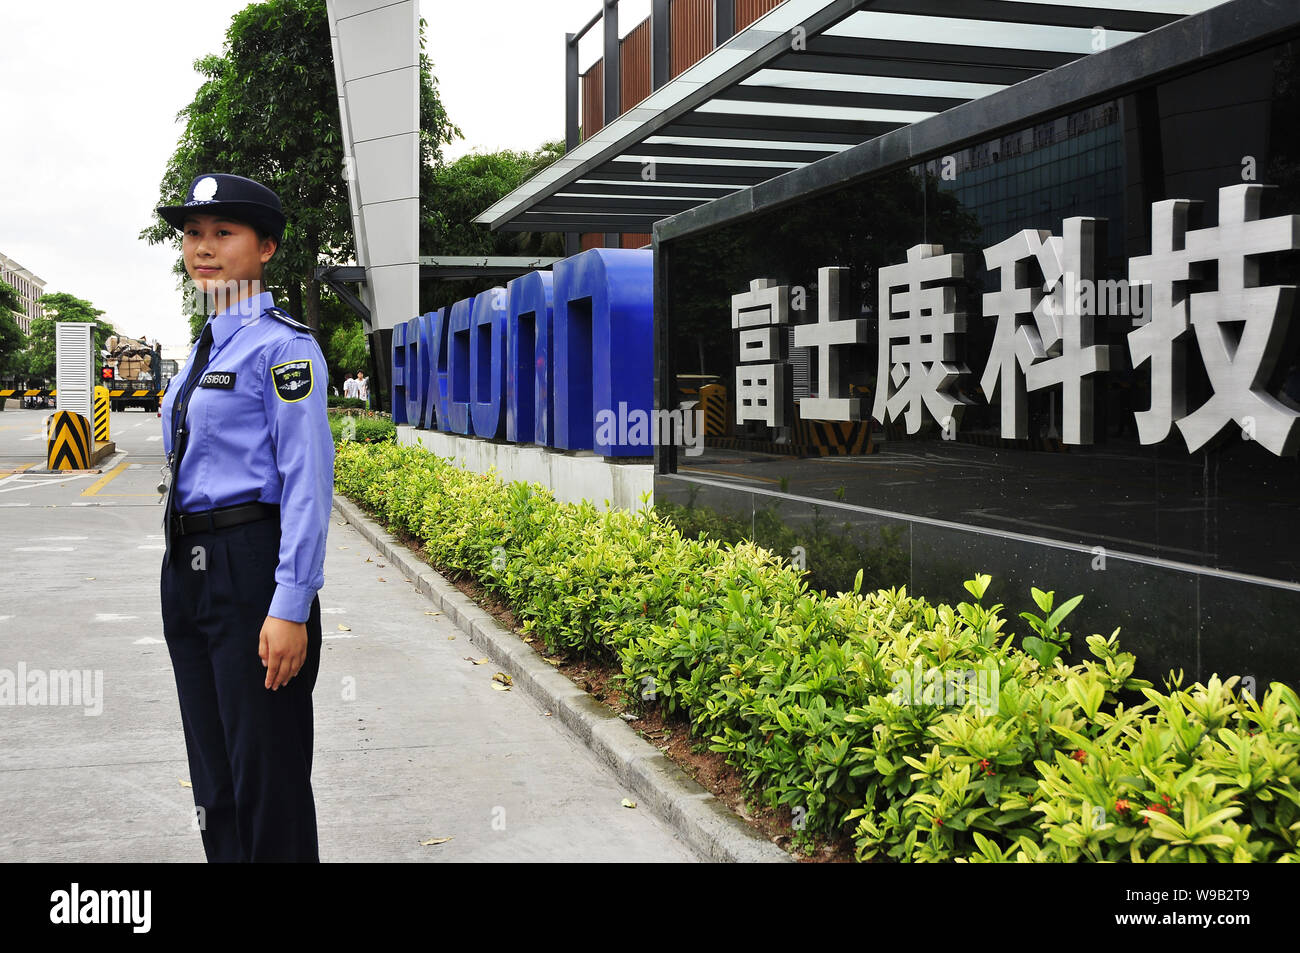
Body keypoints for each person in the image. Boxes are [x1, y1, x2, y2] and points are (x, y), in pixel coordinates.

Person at [156, 172, 333, 862]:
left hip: (253, 569)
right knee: (216, 778)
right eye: (193, 234)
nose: (203, 247)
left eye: (223, 233)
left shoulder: (283, 348)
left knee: (267, 776)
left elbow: (307, 484)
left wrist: (291, 604)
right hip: (190, 572)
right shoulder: (201, 352)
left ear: (266, 249)